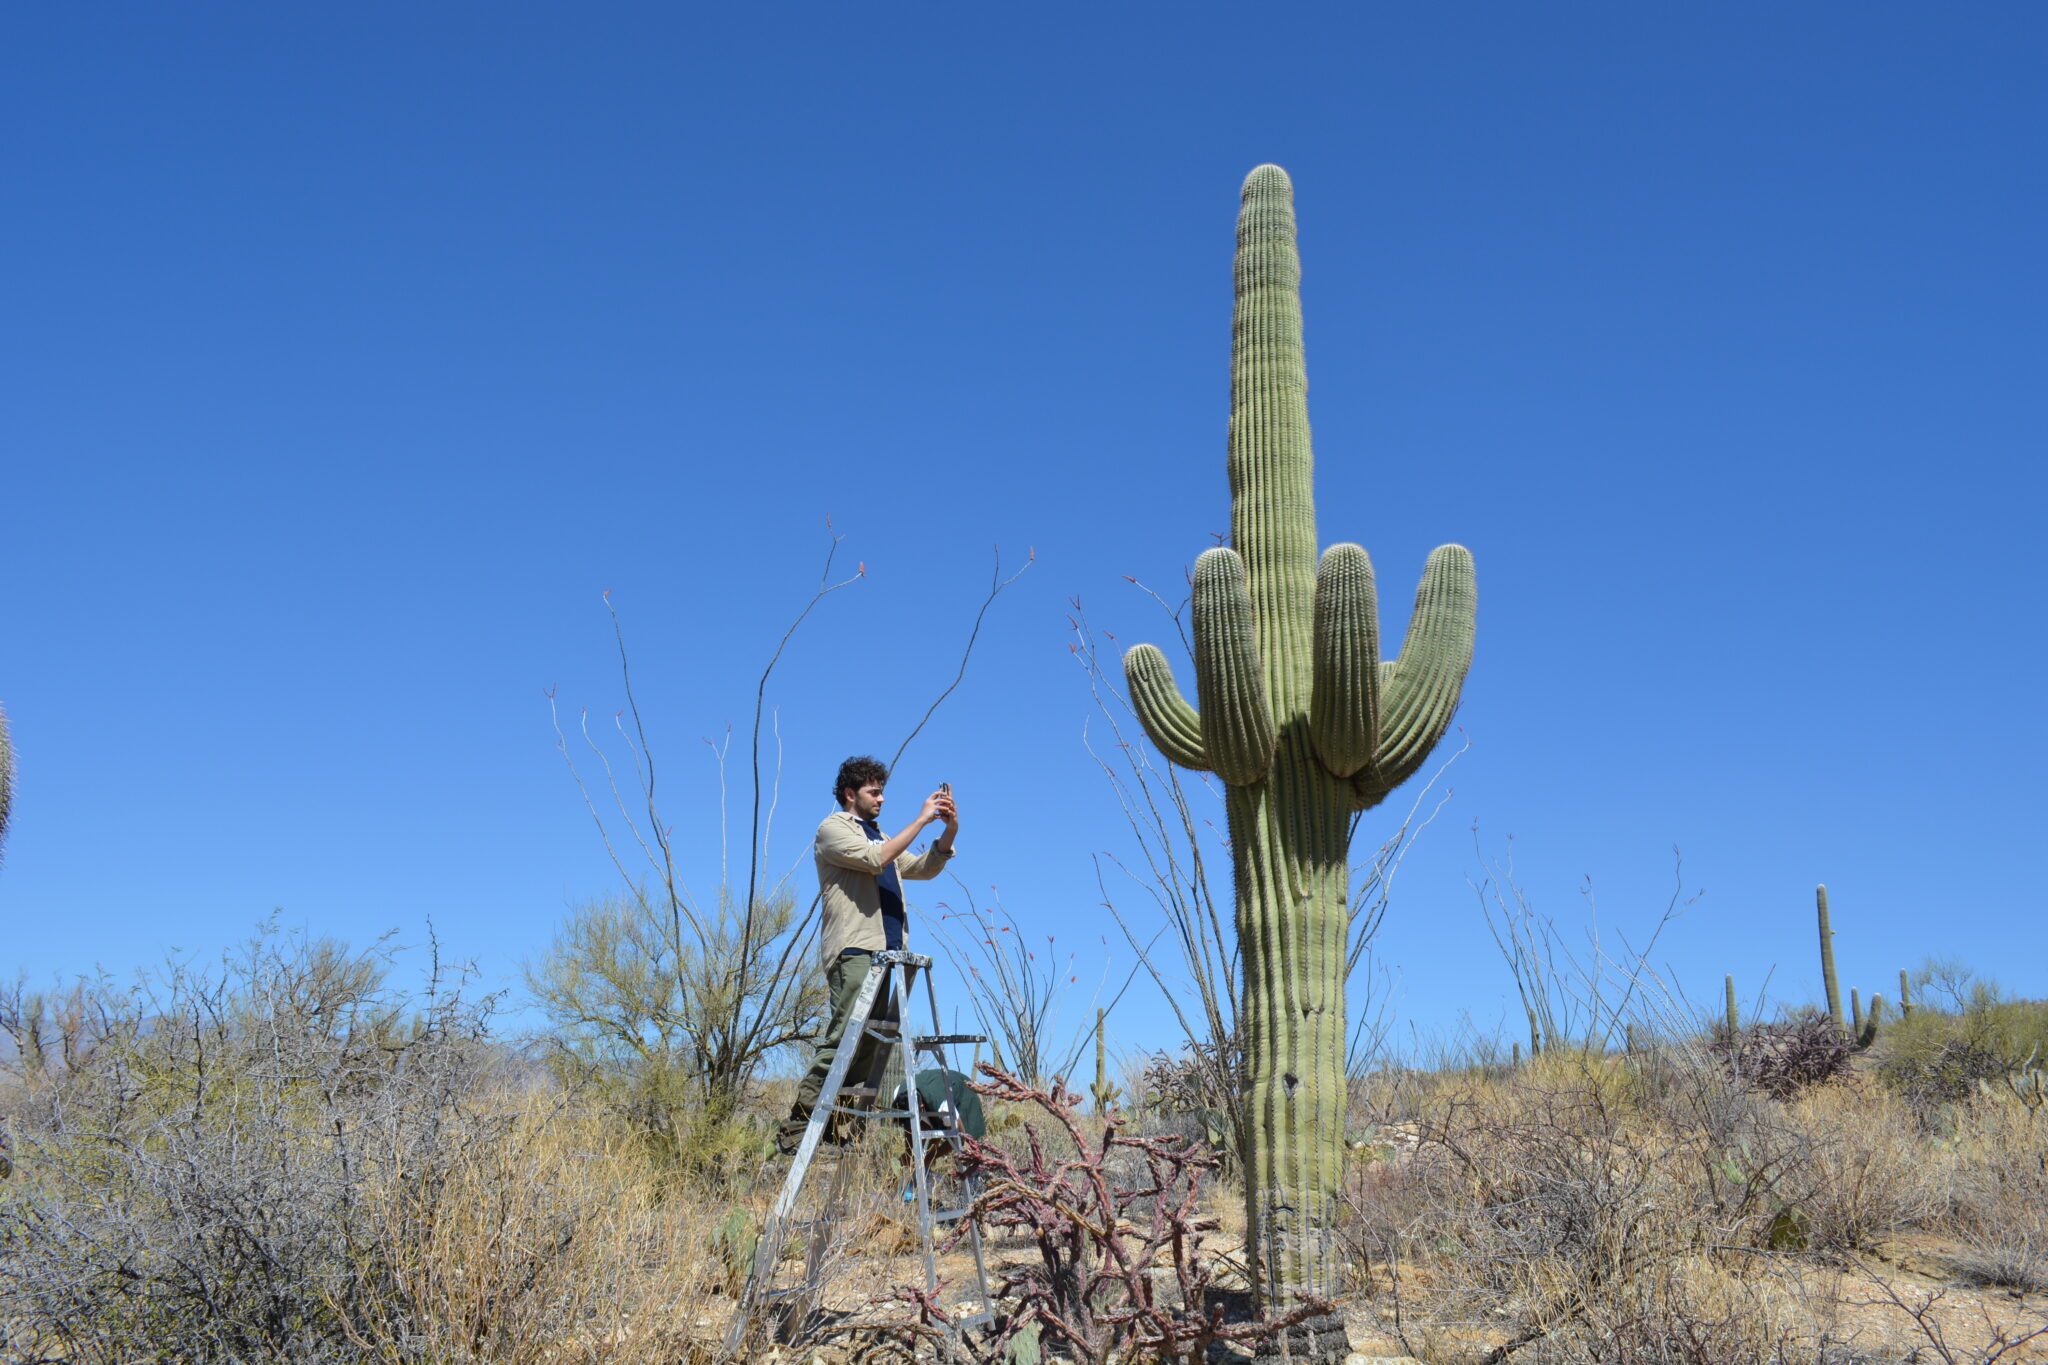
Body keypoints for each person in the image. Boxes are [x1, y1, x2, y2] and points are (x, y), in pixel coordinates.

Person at [777, 755, 958, 1154]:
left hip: (888, 956)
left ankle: (829, 1127)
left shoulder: (879, 834)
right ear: (850, 793)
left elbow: (923, 867)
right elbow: (877, 859)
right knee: (844, 1038)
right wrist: (922, 820)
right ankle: (796, 1129)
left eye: (882, 792)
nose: (881, 799)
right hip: (855, 950)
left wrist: (948, 831)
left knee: (870, 1046)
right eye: (874, 792)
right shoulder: (832, 830)